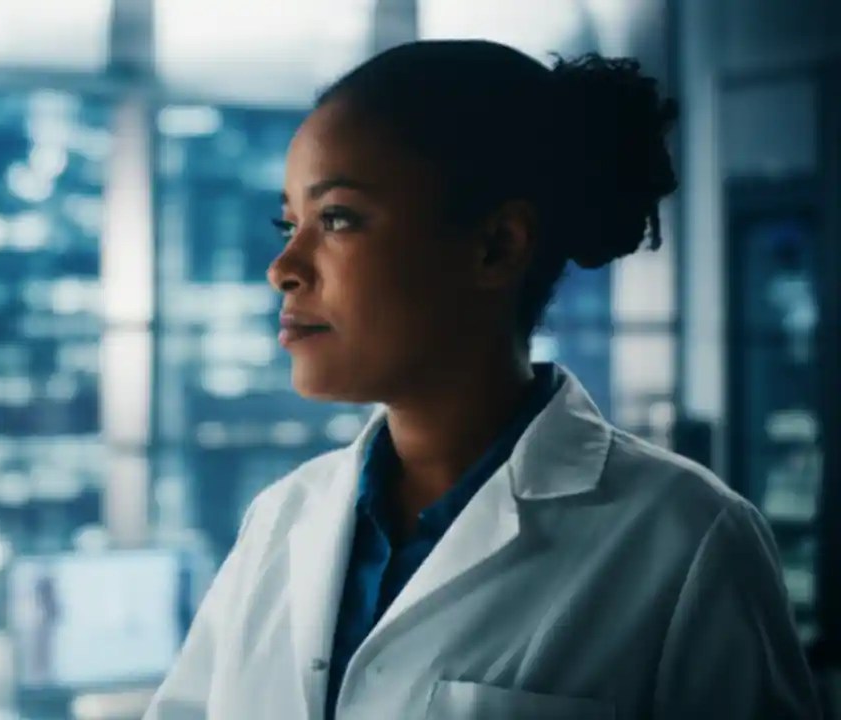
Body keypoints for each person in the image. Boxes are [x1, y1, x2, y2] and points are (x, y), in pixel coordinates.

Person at [144, 40, 821, 720]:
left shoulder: (687, 541)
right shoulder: (282, 519)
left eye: (338, 219)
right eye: (288, 223)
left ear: (496, 246)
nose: (283, 267)